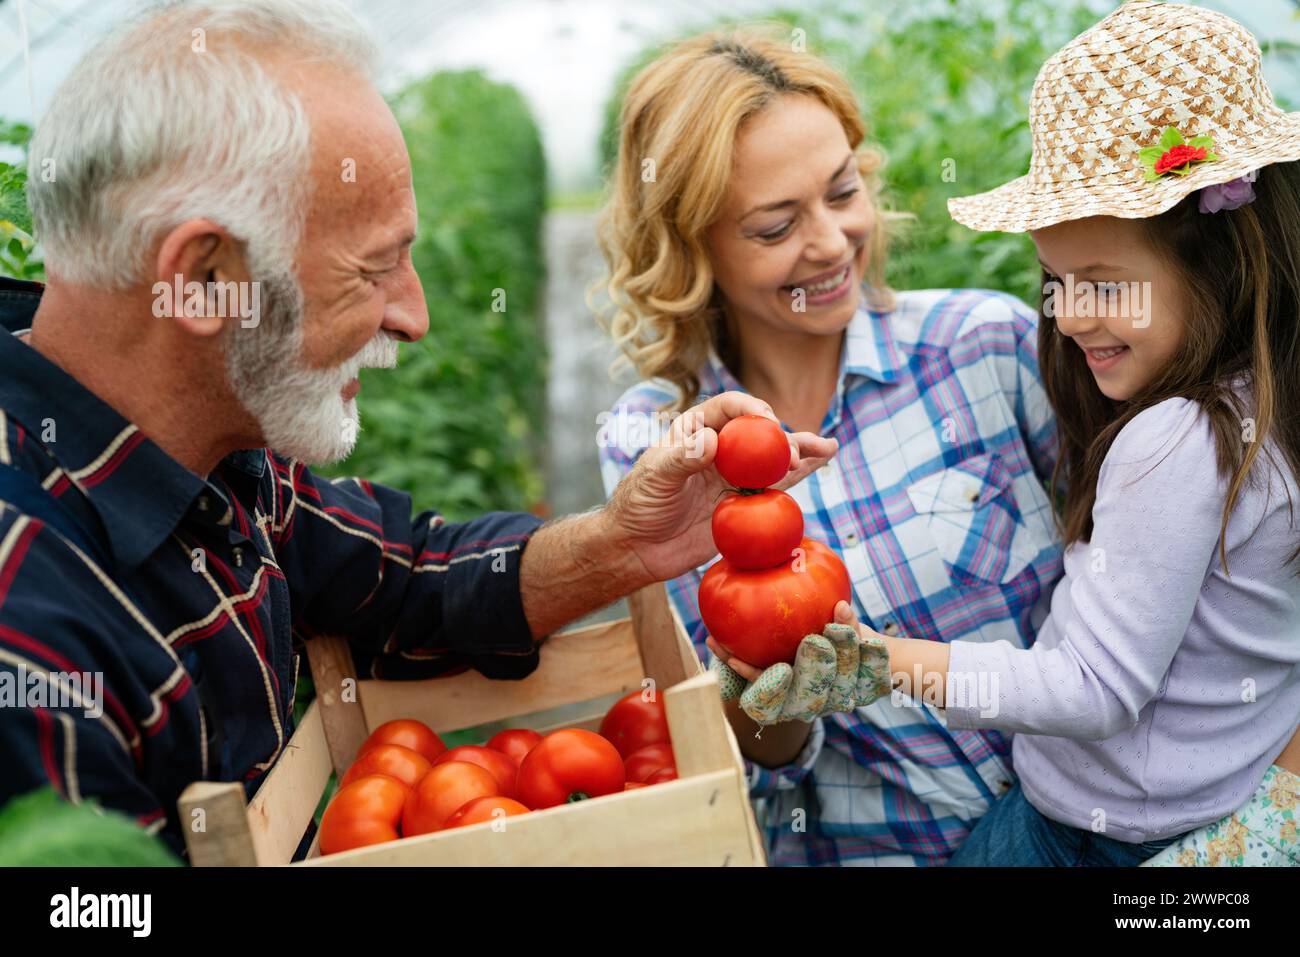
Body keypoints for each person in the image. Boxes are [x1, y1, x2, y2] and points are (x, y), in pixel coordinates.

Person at [0, 0, 836, 859]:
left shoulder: (211, 447)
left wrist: (627, 541)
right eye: (373, 268)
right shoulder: (29, 637)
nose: (414, 315)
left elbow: (406, 582)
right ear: (208, 278)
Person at [719, 0, 1300, 867]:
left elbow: (1095, 688)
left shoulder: (1171, 442)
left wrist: (890, 662)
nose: (1067, 317)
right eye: (1056, 279)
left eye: (1102, 283)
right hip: (1205, 809)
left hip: (1079, 836)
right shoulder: (1267, 406)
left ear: (1215, 260)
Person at [596, 26, 1063, 865]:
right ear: (691, 245)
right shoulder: (658, 446)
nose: (831, 241)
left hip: (1095, 832)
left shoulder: (986, 347)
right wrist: (770, 693)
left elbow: (1151, 588)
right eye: (775, 227)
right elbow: (751, 766)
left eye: (842, 191)